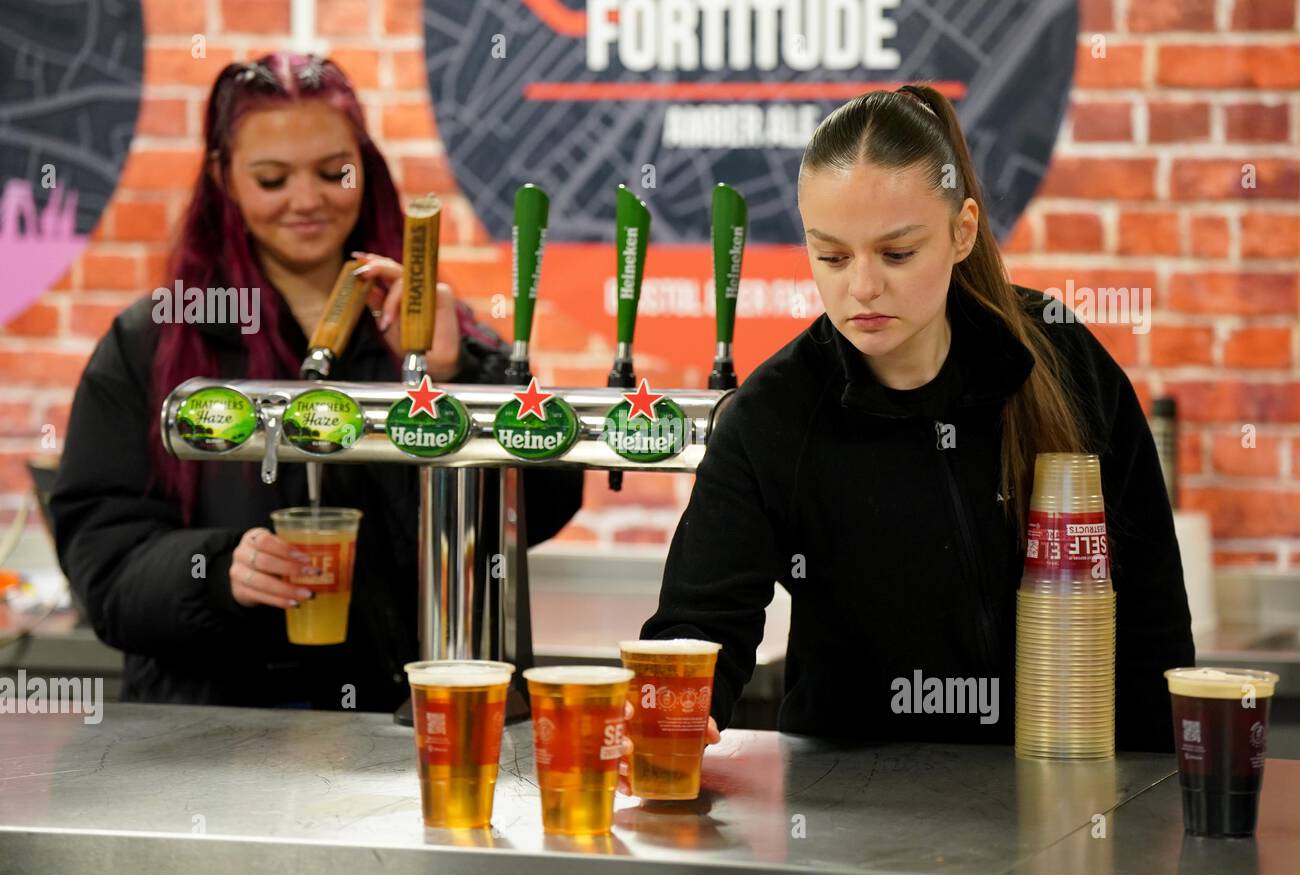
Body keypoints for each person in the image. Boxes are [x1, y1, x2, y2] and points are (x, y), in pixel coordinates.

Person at [641, 85, 1193, 752]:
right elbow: (697, 632)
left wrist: (1156, 799)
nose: (863, 287)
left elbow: (1152, 620)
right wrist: (673, 712)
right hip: (845, 825)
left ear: (962, 232)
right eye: (832, 256)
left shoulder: (1061, 358)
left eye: (897, 253)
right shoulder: (774, 416)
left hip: (1063, 800)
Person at [50, 53, 583, 711]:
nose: (307, 200)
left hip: (407, 734)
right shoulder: (153, 343)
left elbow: (546, 502)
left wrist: (459, 374)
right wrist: (216, 571)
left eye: (335, 173)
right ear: (223, 178)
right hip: (213, 747)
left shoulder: (428, 325)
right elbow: (102, 564)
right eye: (272, 179)